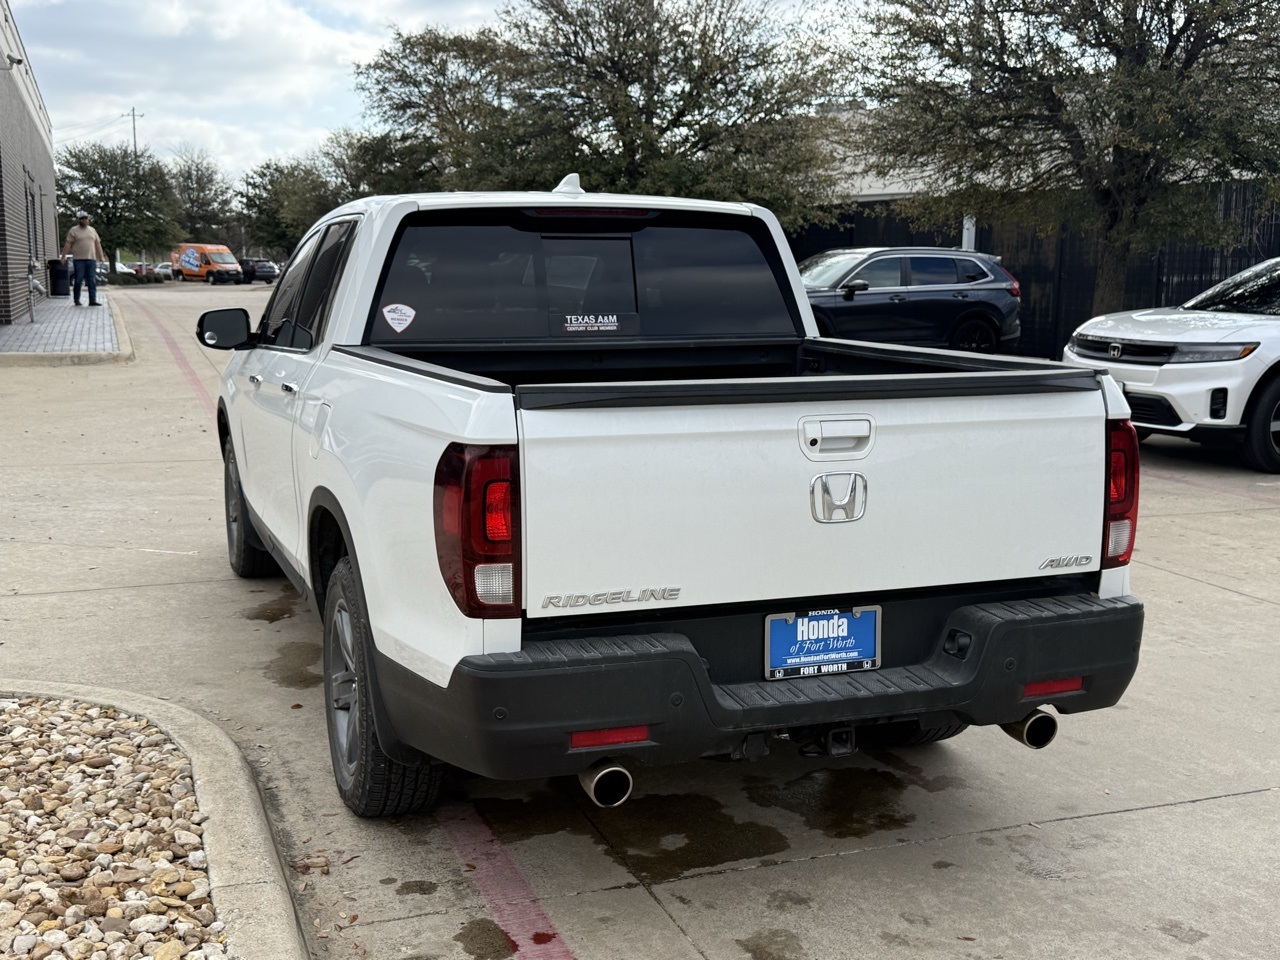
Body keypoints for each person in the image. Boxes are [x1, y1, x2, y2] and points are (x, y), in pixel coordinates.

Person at [60, 210, 105, 306]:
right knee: (78, 280)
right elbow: (68, 244)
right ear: (79, 220)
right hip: (79, 259)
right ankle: (77, 299)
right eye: (82, 218)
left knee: (91, 280)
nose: (84, 220)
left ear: (88, 219)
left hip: (91, 259)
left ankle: (92, 300)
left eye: (85, 218)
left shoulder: (92, 230)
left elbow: (97, 244)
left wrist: (101, 256)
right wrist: (63, 256)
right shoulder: (73, 230)